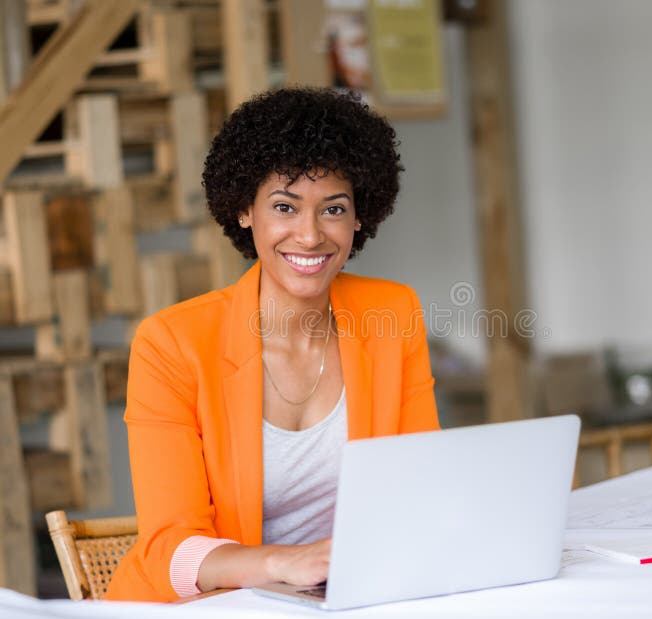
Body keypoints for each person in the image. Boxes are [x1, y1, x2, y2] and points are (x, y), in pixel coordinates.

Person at [106, 88, 440, 602]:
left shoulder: (392, 314)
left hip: (352, 598)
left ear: (359, 217)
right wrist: (291, 563)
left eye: (333, 209)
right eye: (285, 207)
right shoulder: (171, 344)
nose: (309, 236)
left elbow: (420, 485)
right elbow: (170, 549)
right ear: (245, 210)